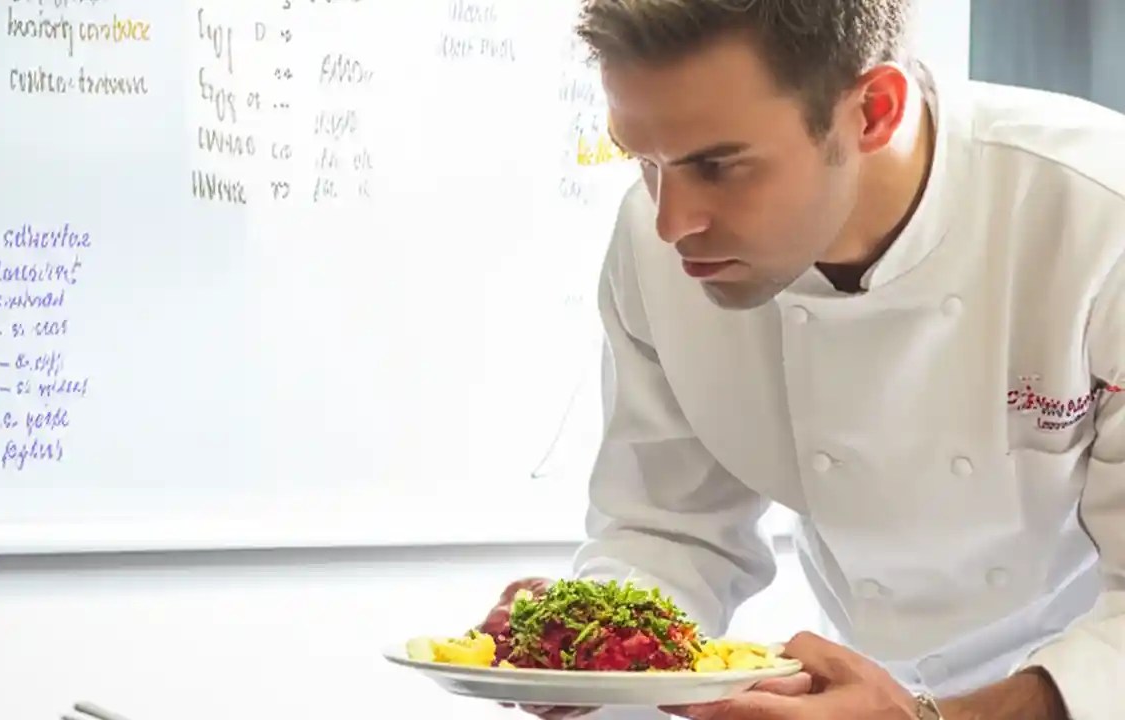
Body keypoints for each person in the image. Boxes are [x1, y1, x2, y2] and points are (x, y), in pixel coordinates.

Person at [481, 1, 1125, 718]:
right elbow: (671, 530)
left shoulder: (1101, 216)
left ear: (873, 111)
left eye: (718, 165)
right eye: (643, 161)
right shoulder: (653, 246)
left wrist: (930, 718)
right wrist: (592, 638)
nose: (671, 223)